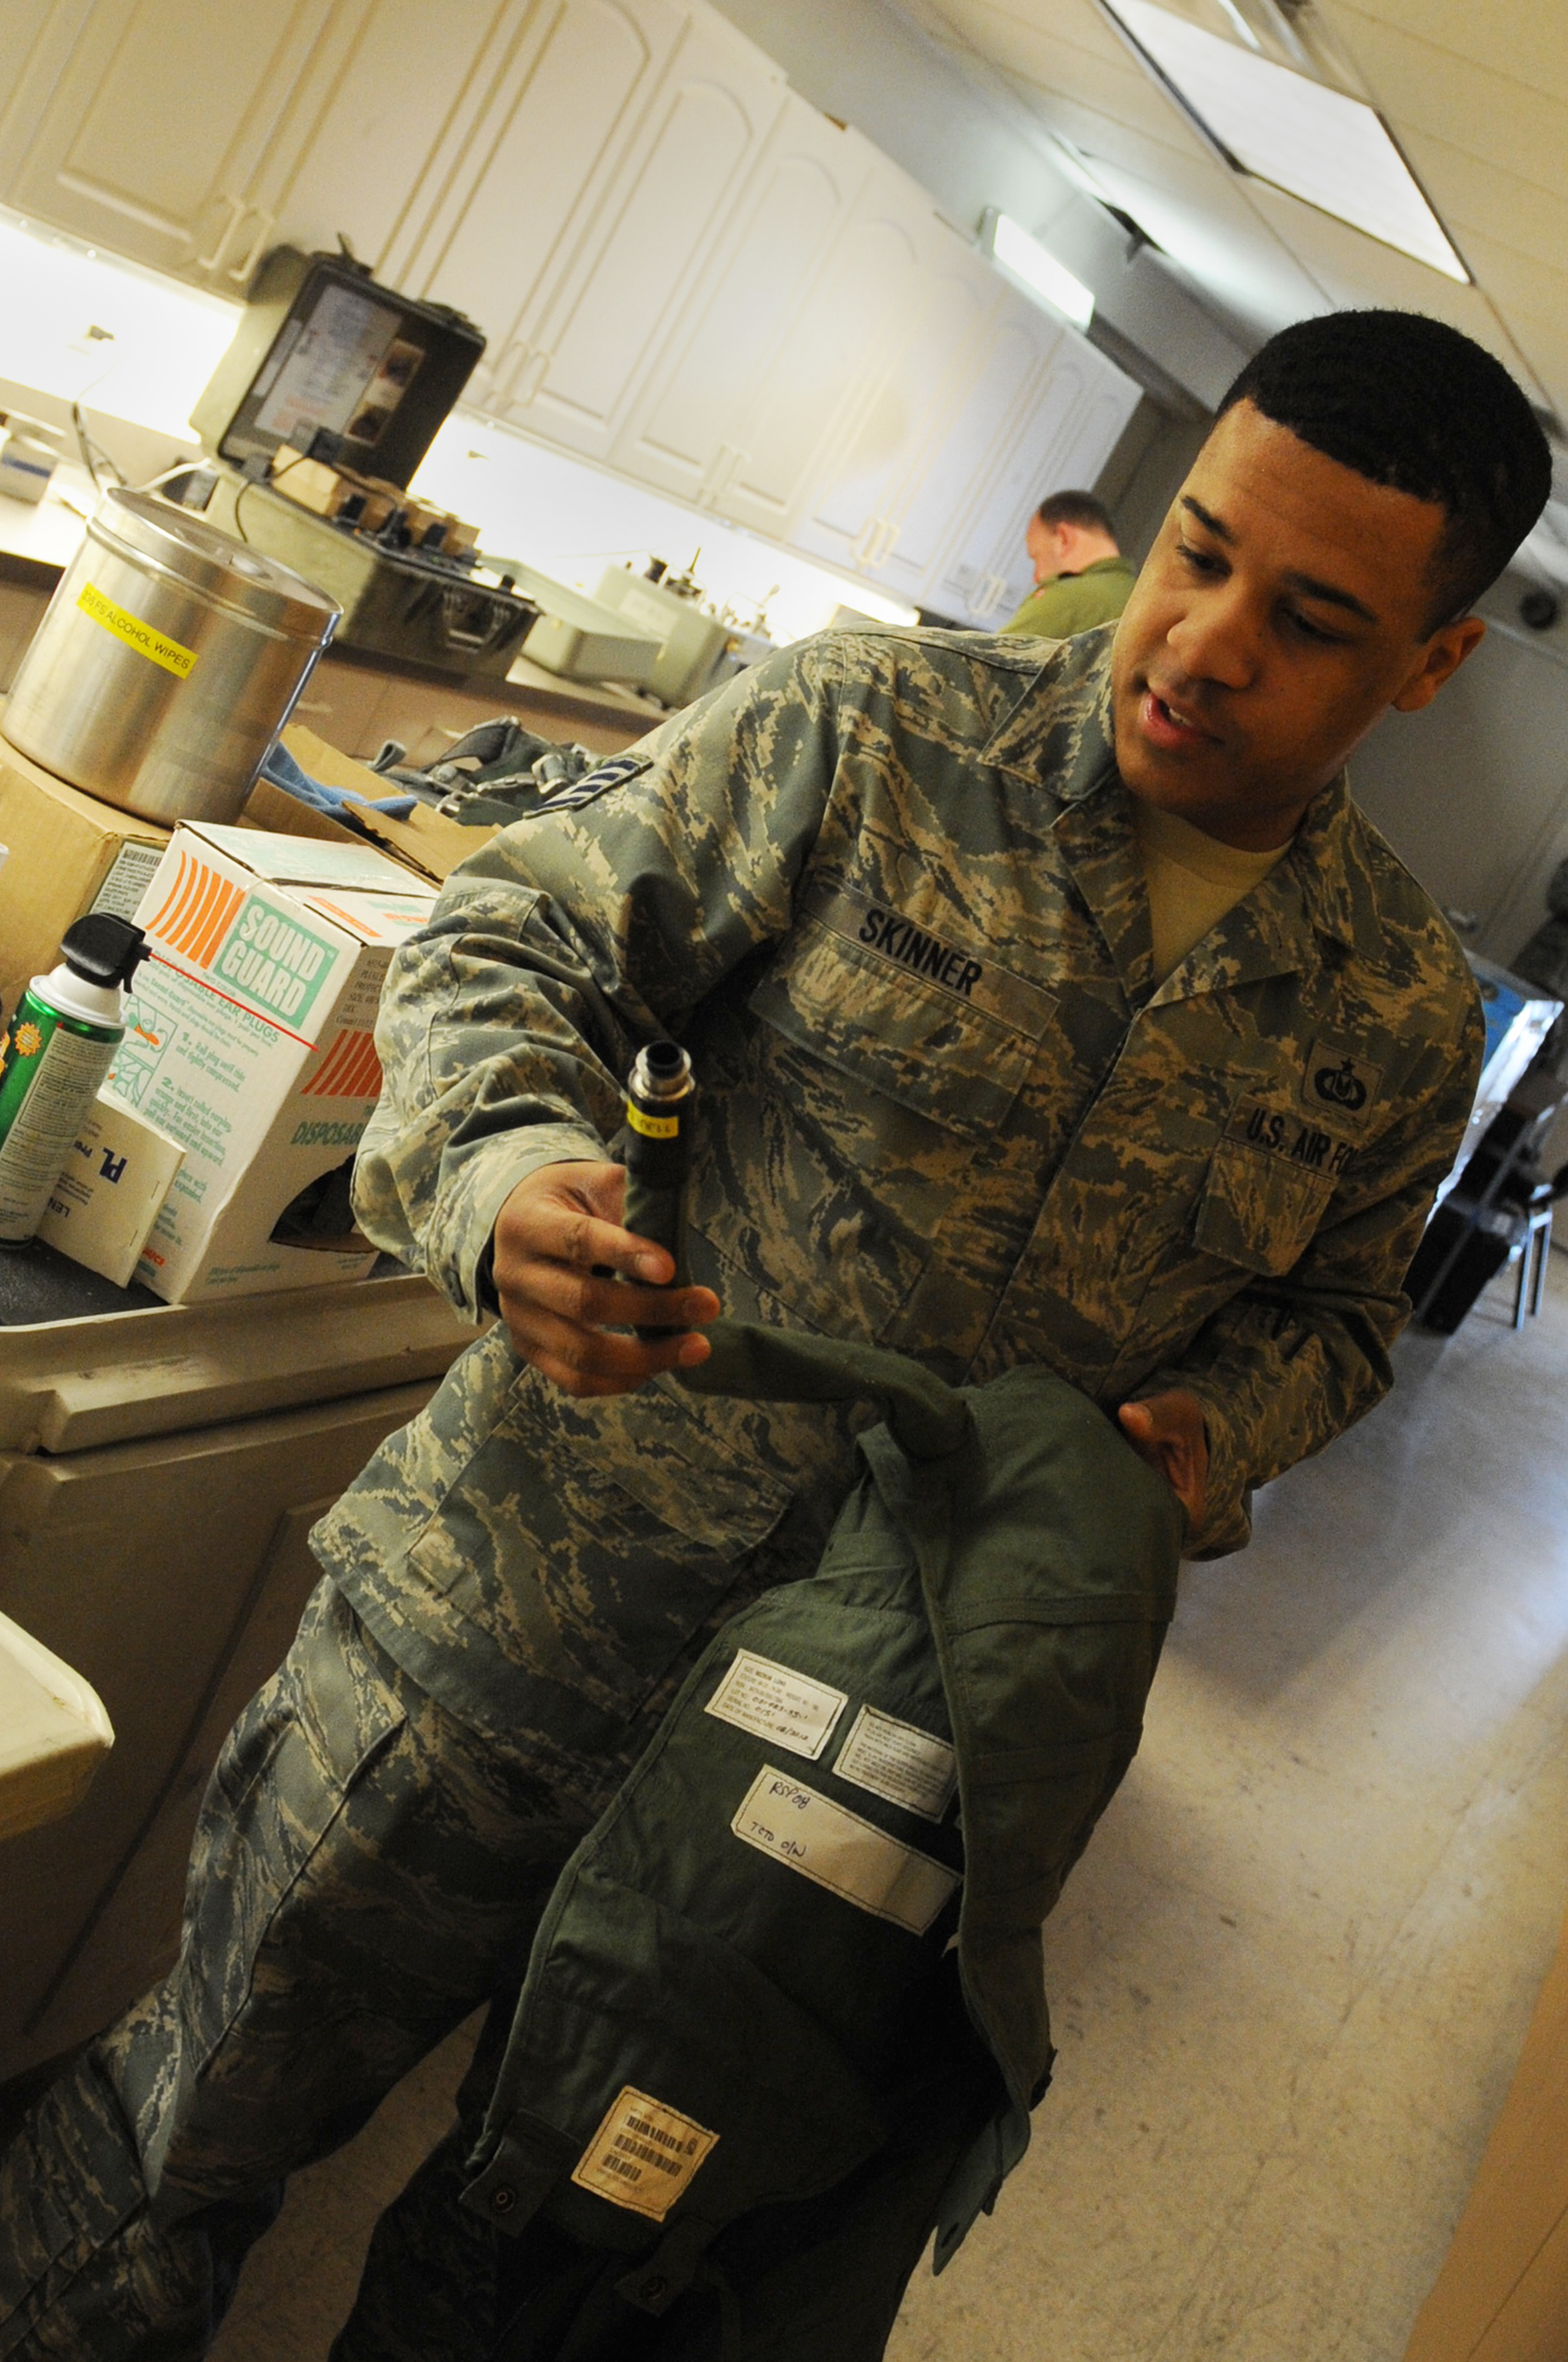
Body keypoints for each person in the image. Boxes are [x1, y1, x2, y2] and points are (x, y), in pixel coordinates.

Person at [0, 308, 1551, 2362]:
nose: (1200, 640)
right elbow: (508, 935)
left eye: (1313, 617)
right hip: (510, 1625)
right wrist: (506, 1175)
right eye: (1195, 552)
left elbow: (1341, 1316)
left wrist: (1209, 1429)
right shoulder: (875, 730)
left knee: (542, 2282)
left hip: (843, 1770)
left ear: (1433, 661)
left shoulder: (1392, 1013)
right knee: (176, 2140)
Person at [1002, 488, 1134, 636]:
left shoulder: (1068, 598)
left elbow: (986, 656)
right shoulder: (1139, 598)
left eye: (1037, 557)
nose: (1036, 577)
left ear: (1064, 539)